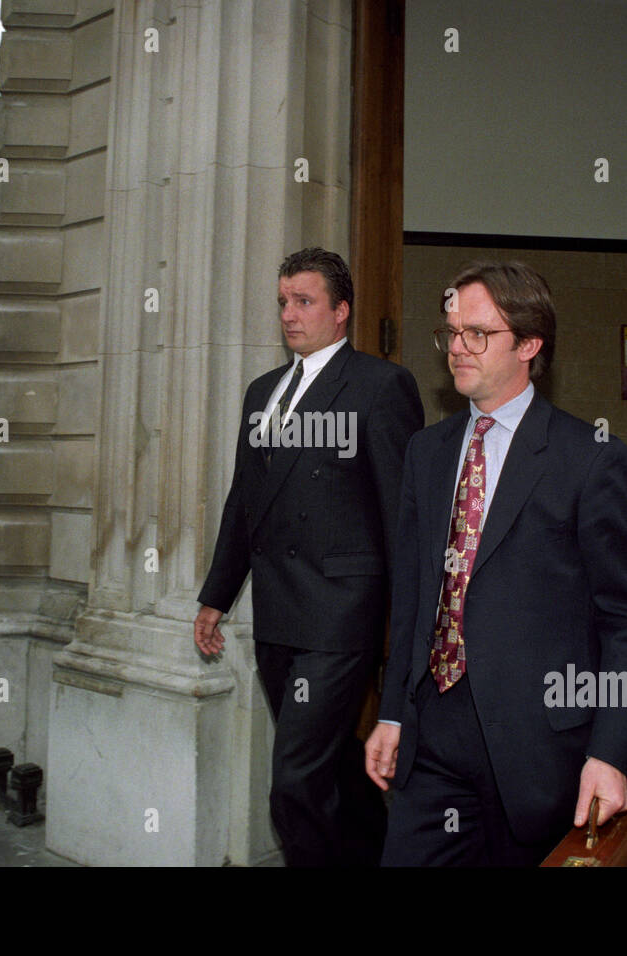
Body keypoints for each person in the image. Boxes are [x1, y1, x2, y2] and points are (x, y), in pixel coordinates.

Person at [365, 261, 627, 866]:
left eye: (478, 333)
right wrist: (393, 711)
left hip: (539, 745)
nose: (457, 348)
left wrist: (610, 754)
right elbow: (418, 595)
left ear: (529, 344)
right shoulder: (427, 452)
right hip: (435, 734)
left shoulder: (590, 460)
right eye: (452, 332)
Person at [194, 247, 424, 866]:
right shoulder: (262, 393)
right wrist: (216, 596)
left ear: (341, 311)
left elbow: (405, 519)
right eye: (282, 303)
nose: (289, 315)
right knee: (332, 764)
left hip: (339, 617)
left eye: (304, 302)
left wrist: (410, 630)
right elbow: (246, 500)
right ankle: (379, 854)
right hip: (277, 615)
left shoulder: (381, 386)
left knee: (294, 782)